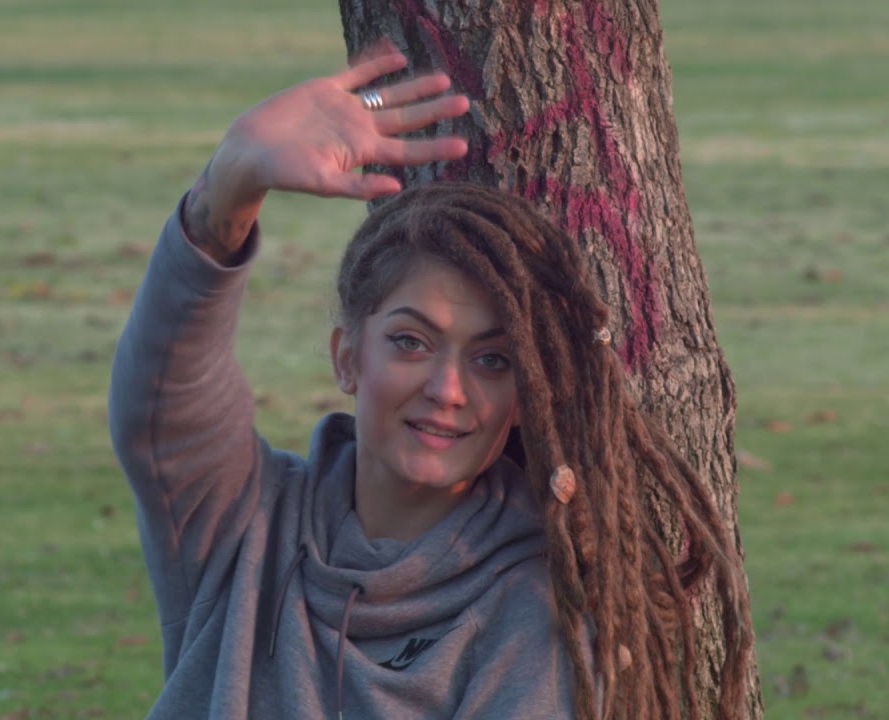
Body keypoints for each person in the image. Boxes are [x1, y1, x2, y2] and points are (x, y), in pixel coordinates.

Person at [109, 44, 752, 720]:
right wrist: (228, 189)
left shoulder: (536, 613)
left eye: (492, 360)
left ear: (522, 399)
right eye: (411, 343)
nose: (447, 389)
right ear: (348, 356)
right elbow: (162, 406)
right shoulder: (243, 528)